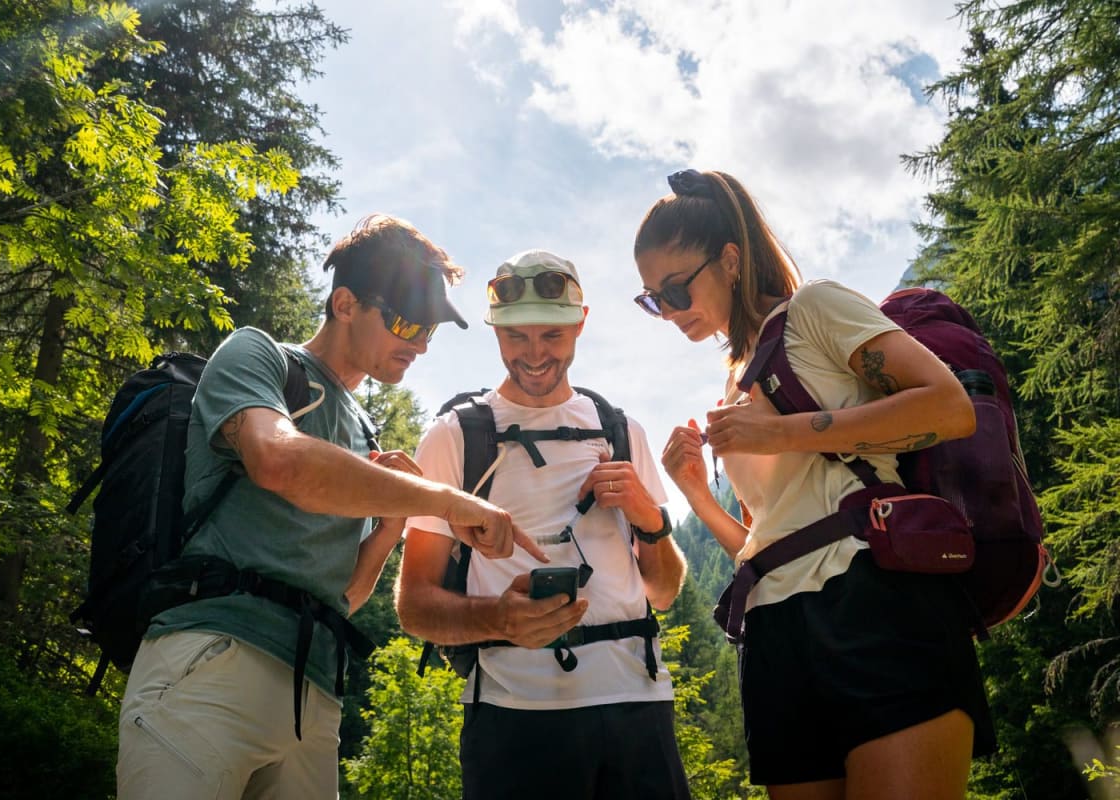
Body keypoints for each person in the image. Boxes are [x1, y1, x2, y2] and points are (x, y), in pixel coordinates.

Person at [116, 214, 543, 800]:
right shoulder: (259, 356)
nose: (418, 343)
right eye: (405, 322)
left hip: (312, 696)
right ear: (345, 303)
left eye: (430, 332)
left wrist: (393, 520)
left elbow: (345, 594)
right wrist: (444, 501)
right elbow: (277, 460)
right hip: (211, 661)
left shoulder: (364, 428)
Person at [632, 169, 996, 799]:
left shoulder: (814, 310)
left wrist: (783, 433)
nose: (667, 311)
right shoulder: (735, 382)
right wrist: (693, 490)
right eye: (651, 299)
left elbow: (948, 408)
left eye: (675, 288)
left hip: (877, 602)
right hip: (775, 632)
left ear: (731, 258)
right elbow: (766, 541)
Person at [396, 249, 692, 800]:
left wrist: (649, 519)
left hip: (638, 705)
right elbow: (414, 605)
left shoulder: (621, 431)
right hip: (513, 711)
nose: (534, 355)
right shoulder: (455, 437)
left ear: (581, 323)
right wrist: (499, 620)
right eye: (516, 338)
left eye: (552, 336)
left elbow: (666, 590)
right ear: (495, 331)